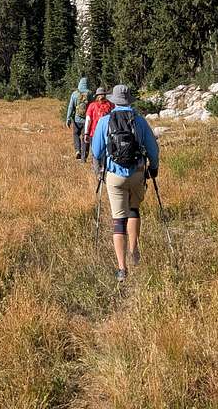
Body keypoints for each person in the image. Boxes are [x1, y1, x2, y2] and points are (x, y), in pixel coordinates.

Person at [90, 84, 160, 282]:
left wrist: (100, 169)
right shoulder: (140, 121)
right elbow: (153, 150)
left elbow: (96, 151)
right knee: (134, 210)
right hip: (137, 173)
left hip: (115, 175)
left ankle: (122, 268)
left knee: (118, 221)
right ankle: (134, 250)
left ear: (113, 101)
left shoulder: (105, 121)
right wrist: (153, 168)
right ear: (130, 100)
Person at [81, 87, 113, 162]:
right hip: (107, 132)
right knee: (106, 151)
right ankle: (104, 167)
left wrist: (86, 133)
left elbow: (88, 120)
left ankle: (97, 169)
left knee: (95, 152)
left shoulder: (92, 105)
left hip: (94, 133)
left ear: (97, 95)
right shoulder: (111, 105)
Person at [64, 77, 90, 160]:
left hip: (77, 120)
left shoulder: (74, 94)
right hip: (87, 121)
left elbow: (71, 107)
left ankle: (77, 150)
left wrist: (68, 118)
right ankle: (83, 157)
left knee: (75, 134)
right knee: (85, 137)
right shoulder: (90, 94)